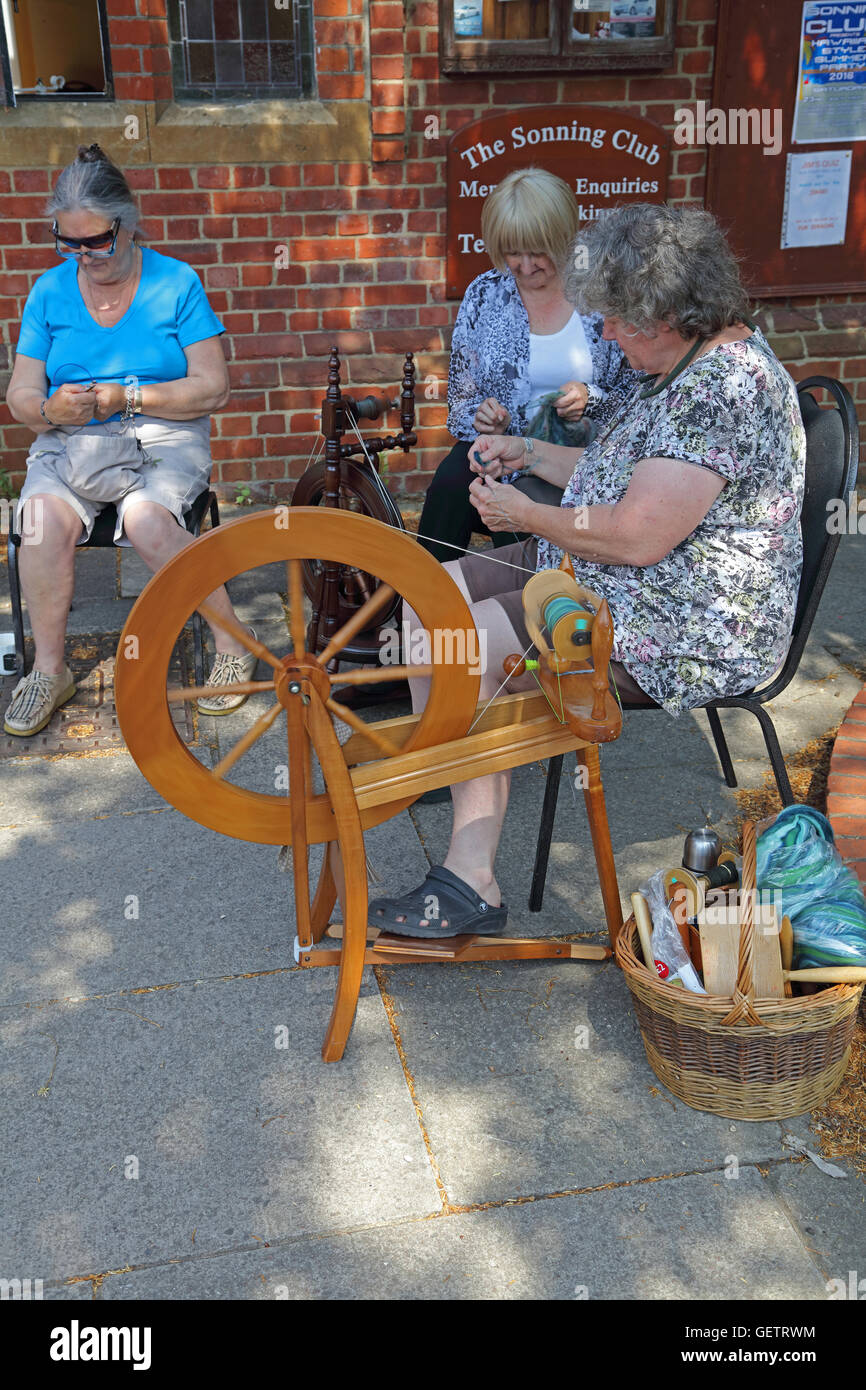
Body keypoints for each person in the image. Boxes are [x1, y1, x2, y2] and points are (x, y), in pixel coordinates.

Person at [370, 203, 806, 937]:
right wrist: (533, 456)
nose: (603, 332)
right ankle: (458, 765)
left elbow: (637, 535)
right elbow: (624, 476)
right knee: (428, 598)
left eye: (617, 320)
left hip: (682, 620)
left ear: (666, 312)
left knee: (462, 640)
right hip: (611, 574)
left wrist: (524, 512)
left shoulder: (720, 389)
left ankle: (472, 876)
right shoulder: (680, 361)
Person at [4, 144, 256, 737]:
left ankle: (233, 643)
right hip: (71, 443)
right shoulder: (49, 291)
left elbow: (213, 387)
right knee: (36, 522)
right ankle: (48, 670)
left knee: (147, 521)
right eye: (68, 243)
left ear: (128, 222)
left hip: (160, 437)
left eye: (96, 241)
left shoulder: (176, 282)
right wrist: (48, 408)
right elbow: (20, 395)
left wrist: (131, 398)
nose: (83, 256)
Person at [417, 167, 638, 562]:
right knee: (450, 484)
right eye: (511, 252)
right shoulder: (485, 294)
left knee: (521, 518)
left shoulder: (601, 294)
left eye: (538, 251)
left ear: (564, 239)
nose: (524, 264)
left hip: (580, 458)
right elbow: (461, 402)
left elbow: (640, 397)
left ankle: (530, 612)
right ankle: (421, 602)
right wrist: (485, 419)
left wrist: (592, 398)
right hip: (500, 451)